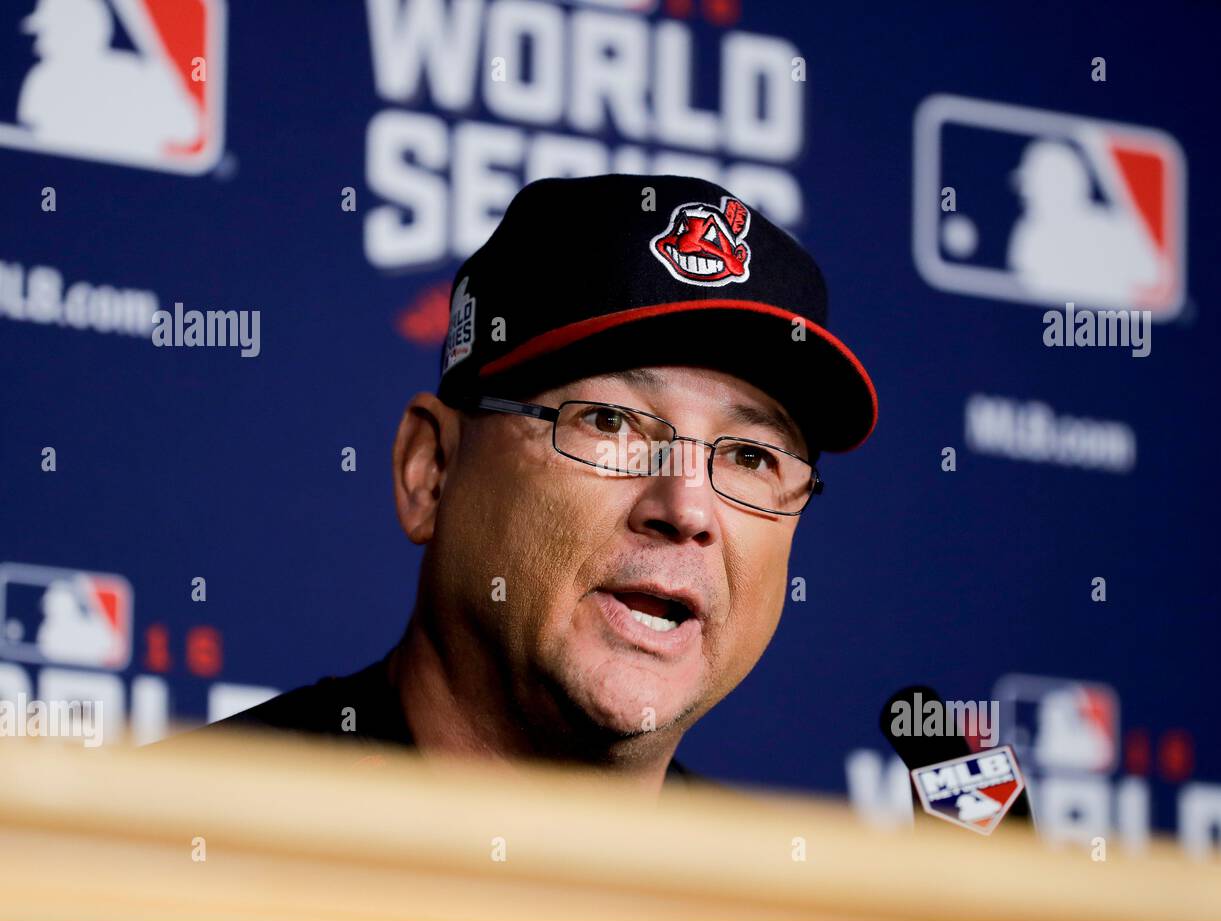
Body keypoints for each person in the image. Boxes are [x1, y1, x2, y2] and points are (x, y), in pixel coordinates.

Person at [162, 175, 878, 796]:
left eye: (752, 457)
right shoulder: (169, 851)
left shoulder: (796, 906)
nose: (686, 507)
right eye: (609, 420)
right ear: (431, 470)